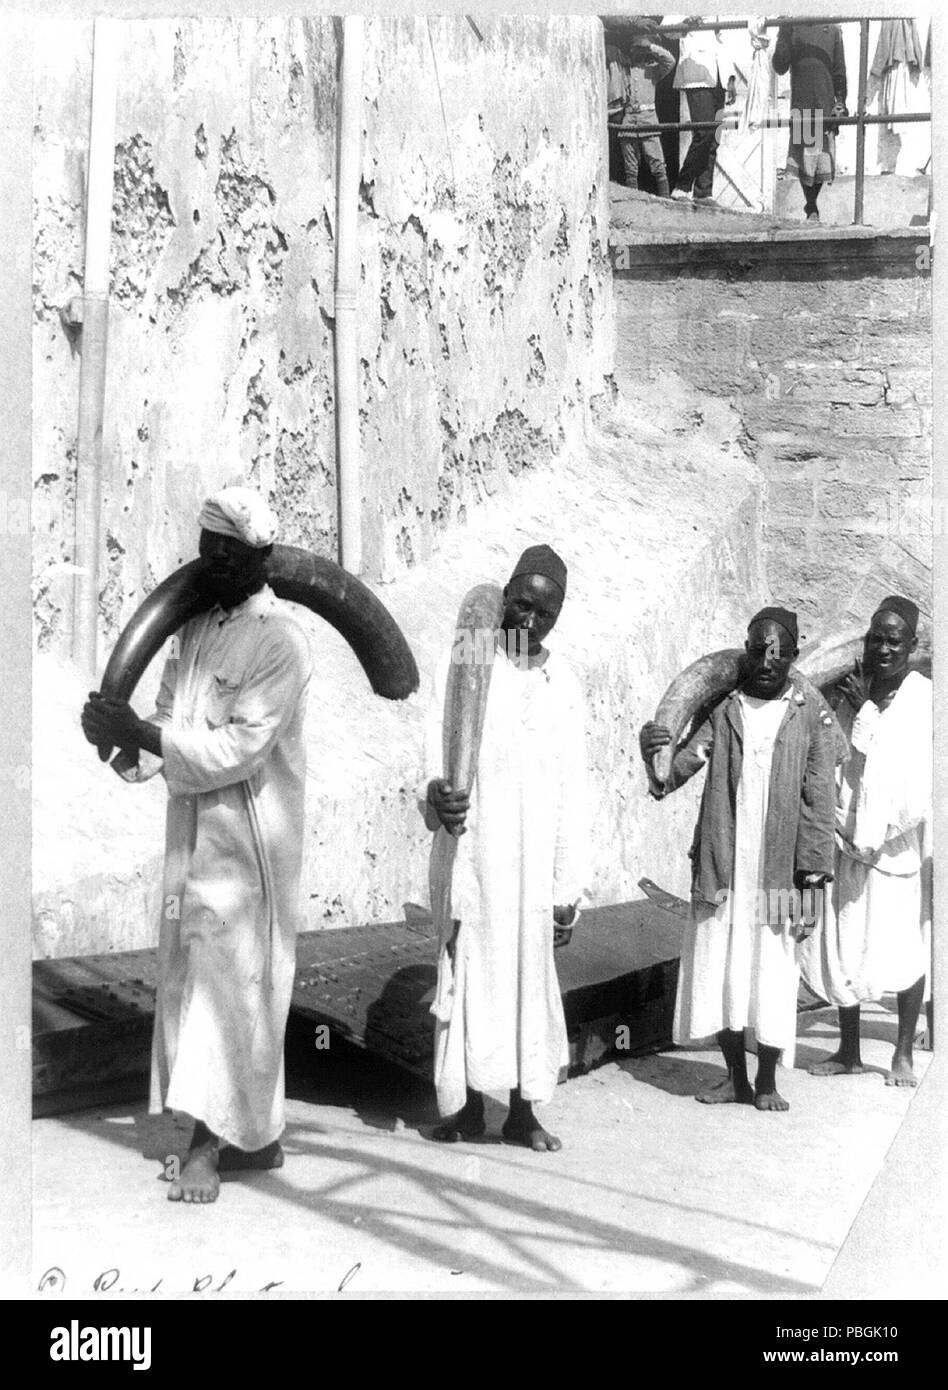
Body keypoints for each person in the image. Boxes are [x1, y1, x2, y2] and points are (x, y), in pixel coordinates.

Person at [80, 486, 312, 1203]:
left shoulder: (282, 641)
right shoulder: (195, 629)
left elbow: (240, 748)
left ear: (261, 558)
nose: (211, 562)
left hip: (248, 844)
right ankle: (245, 1137)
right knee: (190, 982)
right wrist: (120, 743)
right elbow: (166, 718)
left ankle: (204, 1151)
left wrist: (147, 735)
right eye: (206, 548)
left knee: (229, 985)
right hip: (190, 836)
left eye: (228, 552)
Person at [423, 545, 590, 1151]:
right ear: (505, 596)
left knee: (526, 978)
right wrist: (435, 793)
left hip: (531, 865)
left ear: (557, 617)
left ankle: (522, 1112)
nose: (529, 621)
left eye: (544, 613)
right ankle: (466, 1109)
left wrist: (568, 886)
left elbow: (574, 785)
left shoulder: (562, 682)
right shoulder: (466, 658)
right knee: (467, 971)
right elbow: (436, 742)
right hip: (475, 852)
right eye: (521, 605)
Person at [639, 607, 838, 1112]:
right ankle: (734, 1078)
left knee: (770, 972)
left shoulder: (807, 715)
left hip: (776, 875)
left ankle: (767, 1080)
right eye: (757, 649)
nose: (768, 660)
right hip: (724, 865)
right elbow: (678, 768)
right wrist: (653, 753)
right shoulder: (725, 709)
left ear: (793, 654)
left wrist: (812, 881)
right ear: (746, 652)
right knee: (723, 970)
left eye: (779, 651)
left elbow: (818, 801)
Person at [801, 597, 932, 1086]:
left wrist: (878, 834)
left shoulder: (923, 700)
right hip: (847, 837)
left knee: (904, 951)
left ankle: (902, 1054)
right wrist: (843, 826)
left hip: (892, 847)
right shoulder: (851, 692)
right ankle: (849, 1049)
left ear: (911, 646)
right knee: (845, 943)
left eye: (892, 640)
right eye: (874, 637)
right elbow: (840, 762)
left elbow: (915, 783)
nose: (881, 648)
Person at [772, 20, 848, 225]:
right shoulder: (794, 26)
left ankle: (812, 204)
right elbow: (780, 66)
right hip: (801, 102)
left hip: (825, 101)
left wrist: (840, 101)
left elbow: (840, 70)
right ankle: (811, 206)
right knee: (805, 157)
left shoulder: (832, 28)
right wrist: (784, 32)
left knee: (822, 158)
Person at [670, 17, 735, 203]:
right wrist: (684, 21)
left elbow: (723, 42)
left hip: (719, 78)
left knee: (714, 137)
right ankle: (681, 186)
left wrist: (730, 78)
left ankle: (703, 191)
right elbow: (667, 30)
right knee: (703, 133)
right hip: (697, 78)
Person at [607, 29, 676, 198]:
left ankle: (666, 201)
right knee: (630, 167)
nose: (636, 51)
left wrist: (651, 46)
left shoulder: (653, 70)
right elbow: (608, 50)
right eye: (634, 47)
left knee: (657, 163)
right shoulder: (624, 68)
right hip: (629, 119)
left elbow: (670, 61)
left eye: (640, 48)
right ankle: (633, 202)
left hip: (648, 119)